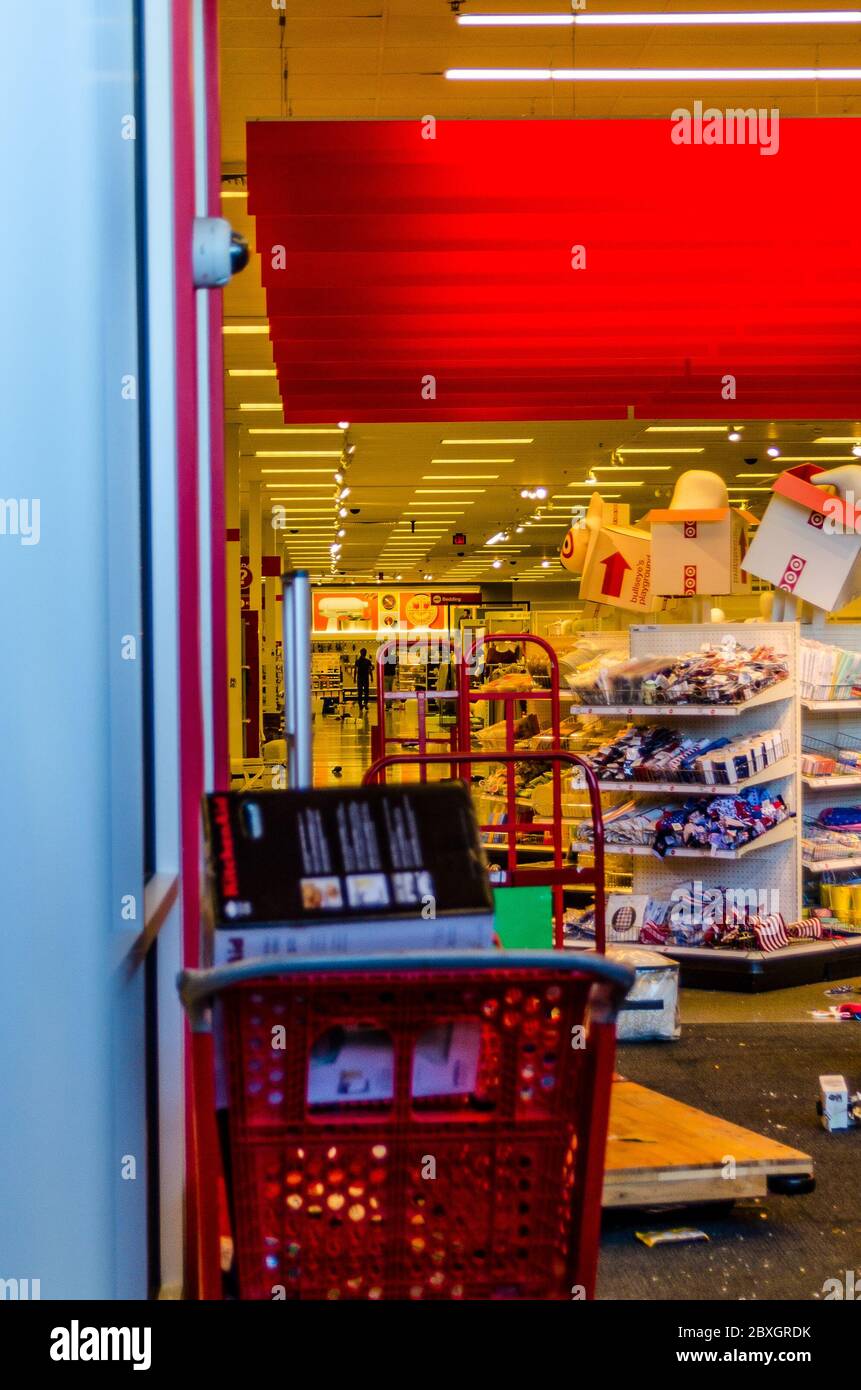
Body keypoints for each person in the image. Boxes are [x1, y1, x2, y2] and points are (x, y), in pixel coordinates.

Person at [354, 647, 374, 713]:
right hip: (365, 677)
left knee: (360, 692)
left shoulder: (357, 661)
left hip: (360, 678)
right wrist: (371, 677)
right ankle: (365, 703)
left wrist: (354, 678)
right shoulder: (367, 661)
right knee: (366, 692)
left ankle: (360, 705)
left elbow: (355, 670)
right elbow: (370, 669)